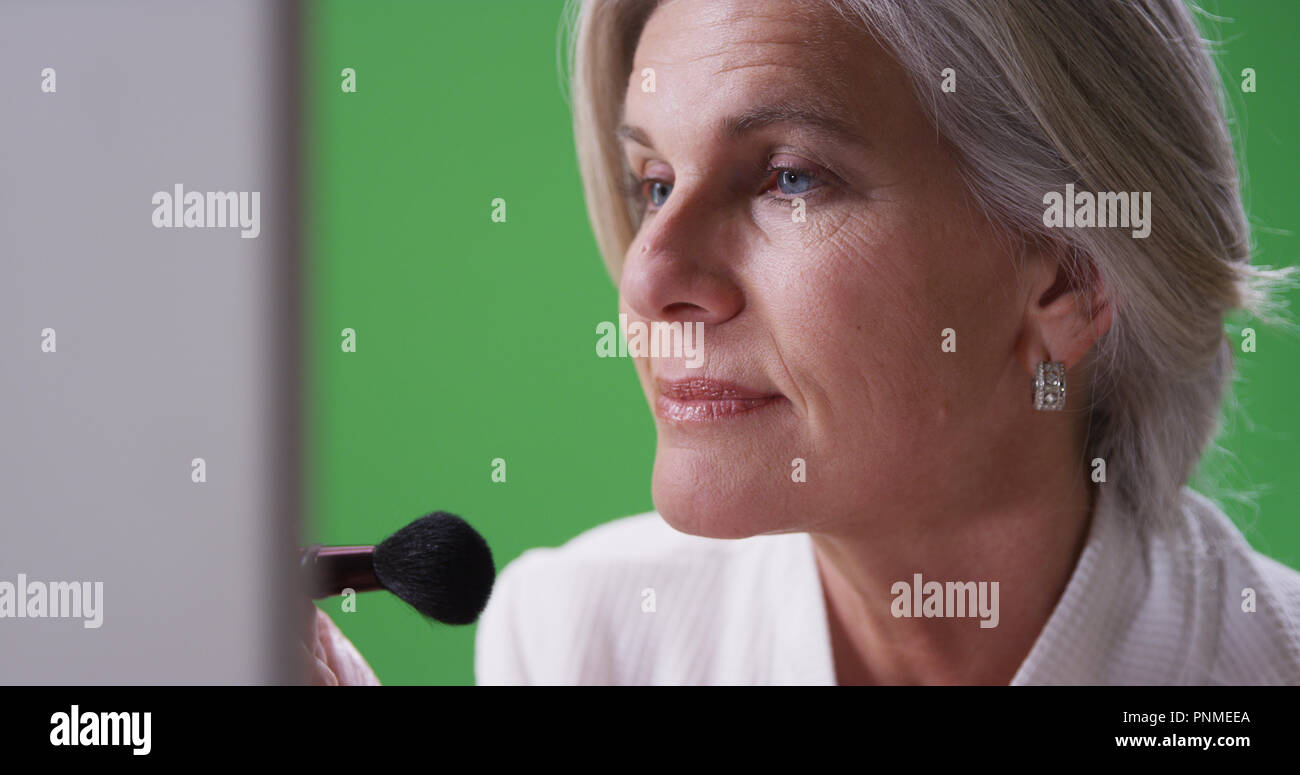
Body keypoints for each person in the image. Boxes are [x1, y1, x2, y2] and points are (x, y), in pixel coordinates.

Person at [312, 0, 1300, 685]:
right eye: (654, 184)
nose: (648, 279)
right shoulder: (583, 639)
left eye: (789, 177)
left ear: (1069, 276)